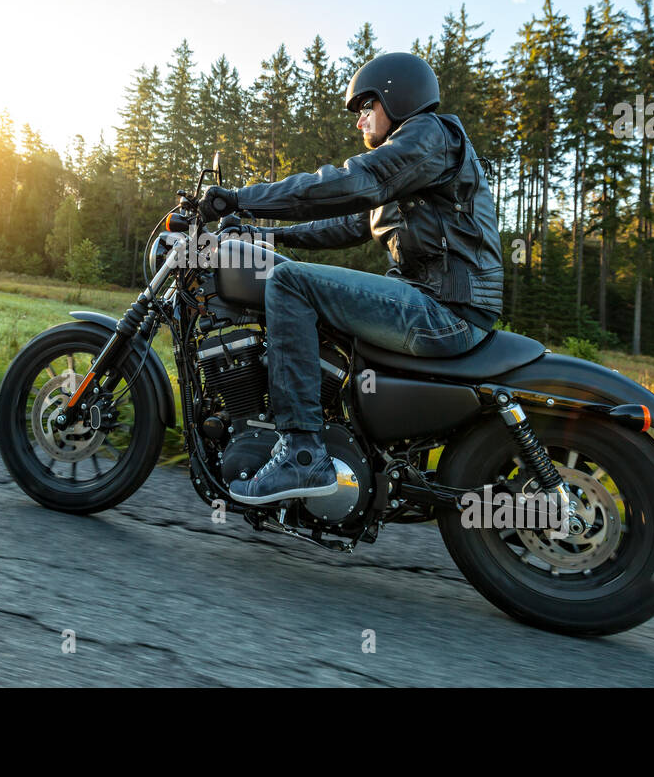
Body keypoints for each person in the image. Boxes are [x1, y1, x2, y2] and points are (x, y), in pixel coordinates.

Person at [198, 51, 504, 505]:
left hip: (446, 309)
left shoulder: (427, 136)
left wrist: (242, 199)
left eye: (366, 107)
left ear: (396, 98)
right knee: (291, 277)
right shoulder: (408, 165)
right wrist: (265, 235)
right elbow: (347, 225)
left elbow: (348, 183)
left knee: (289, 284)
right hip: (429, 301)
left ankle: (302, 453)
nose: (360, 121)